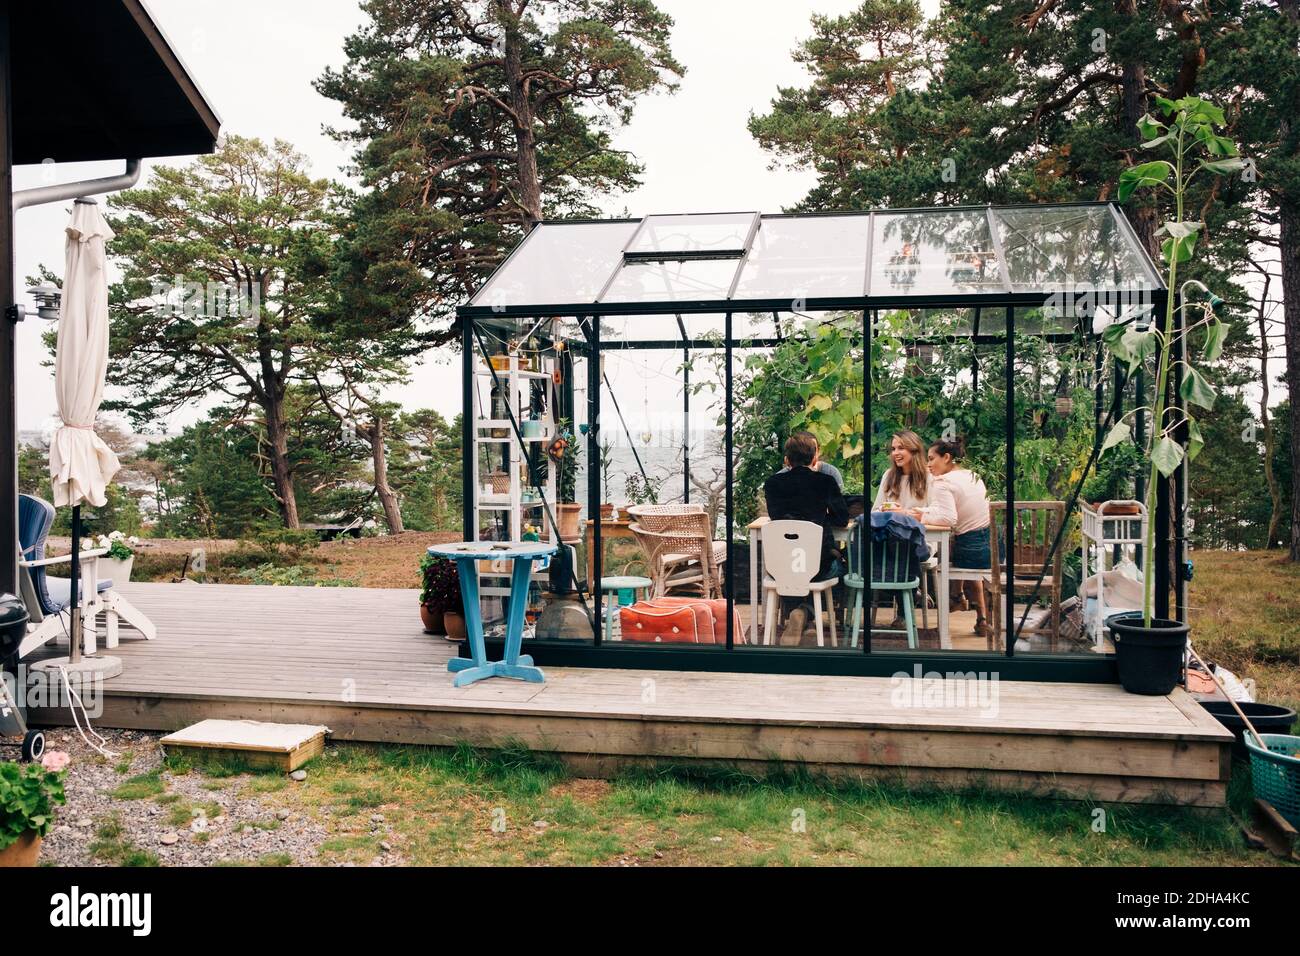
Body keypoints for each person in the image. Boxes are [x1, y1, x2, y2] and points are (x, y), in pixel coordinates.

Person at [764, 432, 849, 644]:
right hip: (817, 566)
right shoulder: (826, 481)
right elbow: (842, 519)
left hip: (782, 566)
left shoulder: (772, 483)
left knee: (790, 573)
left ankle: (796, 611)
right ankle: (806, 610)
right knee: (843, 569)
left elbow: (776, 518)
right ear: (814, 459)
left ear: (786, 460)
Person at [928, 435, 993, 638]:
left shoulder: (943, 481)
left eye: (931, 458)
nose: (928, 464)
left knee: (946, 546)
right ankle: (979, 617)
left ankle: (957, 596)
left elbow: (948, 518)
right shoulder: (973, 475)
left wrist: (916, 514)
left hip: (972, 551)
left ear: (946, 457)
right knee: (957, 539)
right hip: (991, 546)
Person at [873, 429, 956, 527]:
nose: (895, 453)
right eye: (893, 449)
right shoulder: (888, 475)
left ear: (914, 450)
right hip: (892, 534)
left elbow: (937, 511)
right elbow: (875, 511)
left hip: (923, 535)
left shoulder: (929, 476)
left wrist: (904, 513)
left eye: (901, 448)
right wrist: (883, 510)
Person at [777, 430, 845, 491]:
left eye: (812, 449)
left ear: (818, 451)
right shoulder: (781, 478)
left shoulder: (831, 472)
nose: (810, 453)